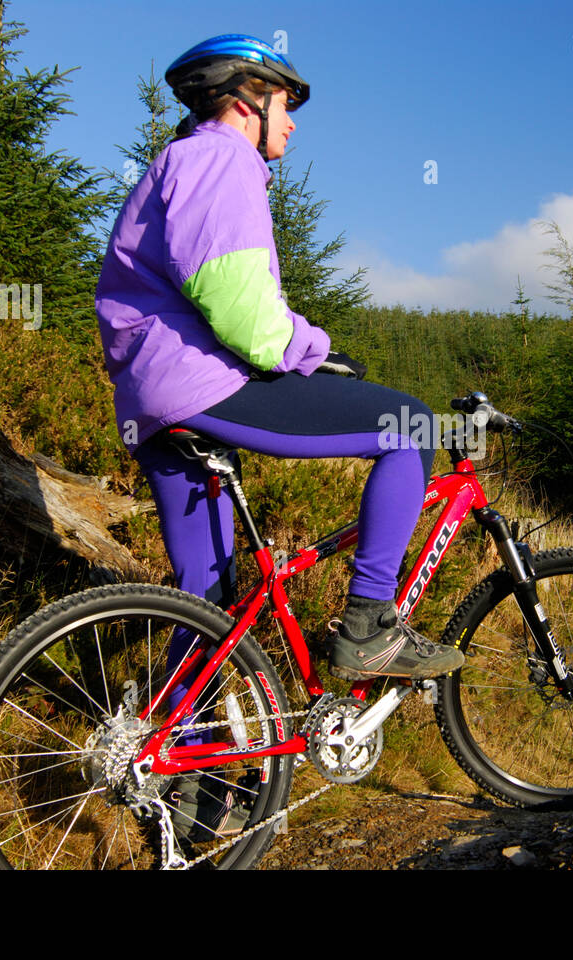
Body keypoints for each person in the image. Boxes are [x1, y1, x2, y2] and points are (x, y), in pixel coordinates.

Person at [94, 34, 465, 838]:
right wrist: (311, 348)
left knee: (212, 600)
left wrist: (294, 344)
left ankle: (188, 784)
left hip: (153, 403)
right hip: (201, 383)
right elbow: (238, 306)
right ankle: (368, 625)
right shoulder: (222, 161)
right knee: (410, 425)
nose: (292, 125)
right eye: (286, 106)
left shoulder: (177, 164)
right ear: (245, 99)